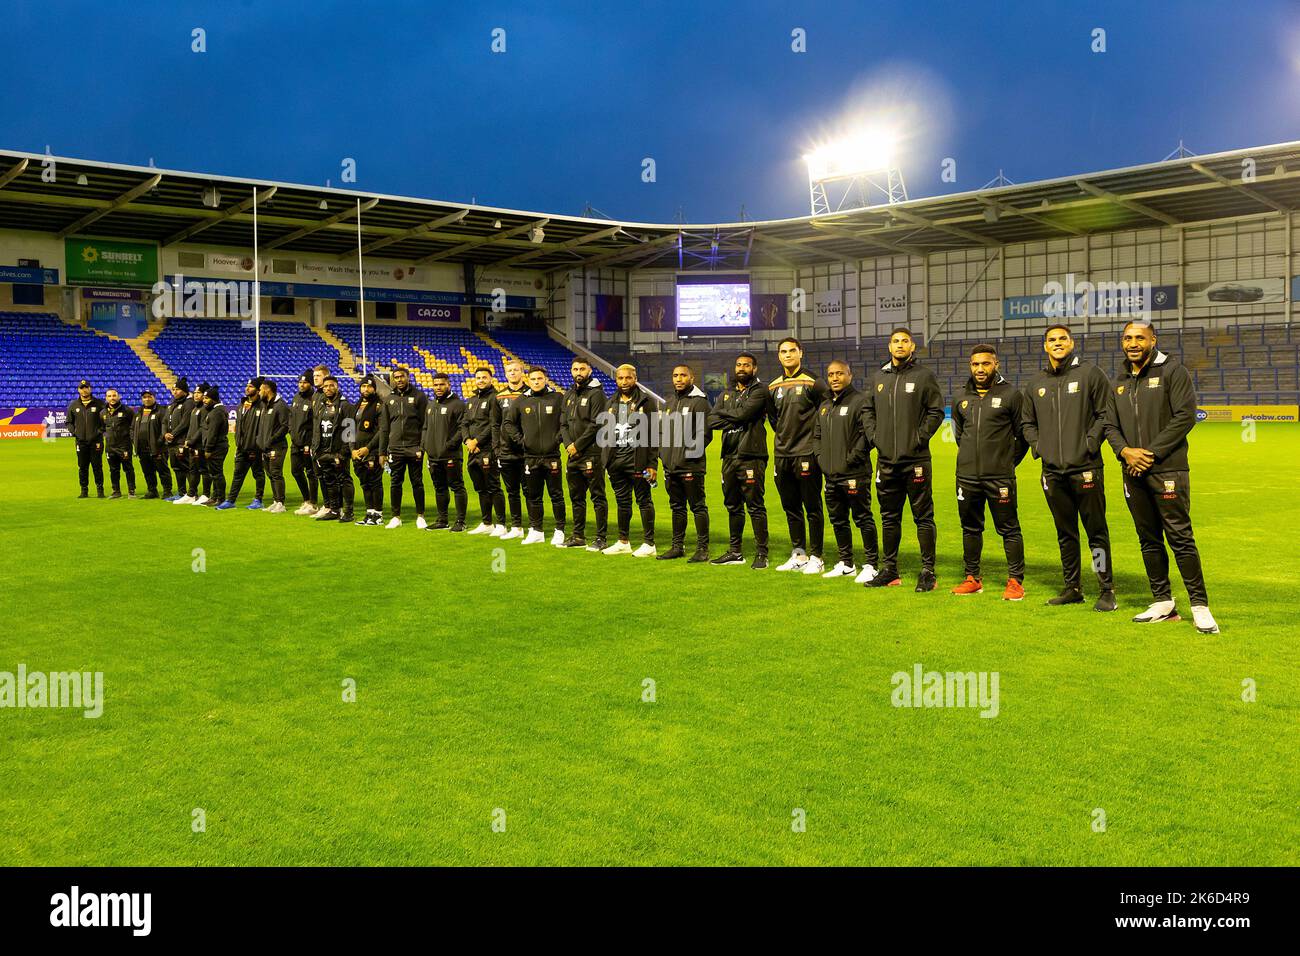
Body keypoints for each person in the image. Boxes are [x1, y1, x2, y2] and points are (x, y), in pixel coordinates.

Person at [1104, 320, 1218, 634]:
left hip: (1168, 469)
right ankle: (1163, 602)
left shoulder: (1173, 371)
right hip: (1131, 470)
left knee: (1180, 538)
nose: (1133, 343)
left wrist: (1149, 453)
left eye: (1140, 337)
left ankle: (1199, 606)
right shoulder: (1118, 381)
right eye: (1127, 338)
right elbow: (1109, 425)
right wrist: (1126, 452)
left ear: (1153, 339)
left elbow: (1185, 416)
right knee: (1148, 539)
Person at [1021, 324, 1117, 611]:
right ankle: (1072, 587)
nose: (1058, 343)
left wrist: (1089, 443)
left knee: (1095, 531)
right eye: (1052, 339)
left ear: (1072, 343)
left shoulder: (1090, 374)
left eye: (1063, 338)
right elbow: (1027, 423)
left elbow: (1105, 413)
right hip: (1052, 472)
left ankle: (1106, 588)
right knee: (1065, 533)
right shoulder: (1036, 383)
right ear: (1045, 346)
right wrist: (1039, 447)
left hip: (1085, 468)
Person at [861, 328, 944, 591]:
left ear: (912, 347)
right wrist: (875, 437)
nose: (900, 345)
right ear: (889, 346)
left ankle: (928, 571)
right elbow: (867, 410)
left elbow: (936, 410)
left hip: (916, 460)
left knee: (923, 517)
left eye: (904, 341)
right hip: (886, 461)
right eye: (895, 341)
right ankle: (889, 570)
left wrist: (919, 438)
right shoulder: (878, 378)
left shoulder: (924, 376)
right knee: (889, 518)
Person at [950, 345, 1029, 600]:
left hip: (1000, 477)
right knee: (970, 528)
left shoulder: (1012, 395)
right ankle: (972, 577)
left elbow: (1023, 436)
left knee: (1009, 529)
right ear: (970, 366)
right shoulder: (961, 397)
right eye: (975, 364)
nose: (980, 369)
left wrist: (1006, 463)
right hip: (967, 477)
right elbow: (960, 435)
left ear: (996, 364)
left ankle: (1015, 581)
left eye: (985, 364)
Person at [767, 337, 828, 575]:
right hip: (782, 454)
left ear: (800, 353)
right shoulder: (772, 387)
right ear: (779, 356)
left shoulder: (814, 382)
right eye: (783, 351)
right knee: (791, 507)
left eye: (792, 350)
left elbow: (826, 412)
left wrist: (814, 441)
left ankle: (817, 556)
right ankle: (799, 554)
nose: (788, 355)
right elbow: (774, 419)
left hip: (807, 453)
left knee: (812, 507)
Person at [812, 360, 878, 580]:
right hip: (830, 475)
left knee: (863, 518)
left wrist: (850, 460)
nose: (834, 378)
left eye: (840, 373)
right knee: (838, 520)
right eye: (831, 374)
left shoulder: (861, 400)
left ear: (850, 375)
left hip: (854, 474)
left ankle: (871, 564)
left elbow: (866, 436)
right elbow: (817, 436)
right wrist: (821, 460)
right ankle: (846, 562)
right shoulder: (824, 405)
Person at [708, 353, 771, 568]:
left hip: (751, 456)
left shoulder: (760, 391)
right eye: (738, 365)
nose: (741, 368)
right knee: (733, 506)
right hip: (729, 456)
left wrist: (727, 415)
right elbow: (711, 420)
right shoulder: (727, 393)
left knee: (755, 505)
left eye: (746, 365)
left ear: (754, 369)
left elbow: (744, 415)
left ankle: (762, 553)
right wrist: (732, 416)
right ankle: (735, 551)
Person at [501, 366, 566, 546]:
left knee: (556, 495)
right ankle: (536, 530)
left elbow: (566, 421)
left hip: (552, 456)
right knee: (533, 496)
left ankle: (559, 530)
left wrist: (558, 438)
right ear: (528, 381)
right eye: (533, 379)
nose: (536, 382)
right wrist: (522, 441)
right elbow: (508, 423)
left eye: (540, 379)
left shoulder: (558, 398)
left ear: (546, 379)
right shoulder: (522, 400)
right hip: (530, 457)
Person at [599, 364, 659, 557]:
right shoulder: (611, 403)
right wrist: (606, 460)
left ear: (635, 378)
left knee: (644, 501)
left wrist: (652, 464)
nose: (624, 382)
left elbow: (653, 434)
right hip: (616, 462)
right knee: (622, 502)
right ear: (616, 380)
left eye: (628, 378)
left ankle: (649, 544)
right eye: (620, 378)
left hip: (638, 461)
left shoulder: (646, 402)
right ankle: (623, 541)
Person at [657, 364, 712, 562]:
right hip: (670, 468)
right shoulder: (668, 402)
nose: (678, 379)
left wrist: (685, 457)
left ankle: (702, 549)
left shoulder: (700, 403)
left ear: (692, 377)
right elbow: (661, 433)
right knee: (676, 507)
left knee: (697, 507)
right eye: (675, 376)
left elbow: (704, 435)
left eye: (683, 375)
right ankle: (677, 546)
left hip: (691, 467)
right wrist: (664, 456)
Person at [560, 358, 609, 550]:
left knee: (597, 497)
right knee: (576, 497)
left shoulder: (597, 394)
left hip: (592, 454)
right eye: (575, 369)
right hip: (572, 455)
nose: (578, 372)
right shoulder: (569, 394)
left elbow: (597, 423)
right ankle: (578, 536)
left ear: (589, 370)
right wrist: (568, 444)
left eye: (582, 368)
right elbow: (562, 422)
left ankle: (601, 538)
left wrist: (577, 445)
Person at [378, 366, 429, 529]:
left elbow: (425, 425)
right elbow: (384, 427)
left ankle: (420, 516)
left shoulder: (419, 397)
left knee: (417, 482)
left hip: (414, 448)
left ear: (408, 377)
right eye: (396, 377)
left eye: (402, 376)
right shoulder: (389, 398)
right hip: (395, 448)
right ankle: (396, 517)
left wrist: (421, 447)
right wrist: (382, 452)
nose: (399, 379)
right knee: (395, 483)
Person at [421, 372, 468, 531]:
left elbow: (463, 428)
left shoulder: (458, 404)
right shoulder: (431, 405)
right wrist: (425, 445)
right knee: (439, 488)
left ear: (449, 385)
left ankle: (461, 522)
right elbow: (425, 427)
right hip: (433, 456)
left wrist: (450, 444)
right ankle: (442, 520)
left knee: (457, 487)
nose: (438, 387)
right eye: (436, 385)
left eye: (442, 384)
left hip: (451, 455)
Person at [463, 367, 506, 536]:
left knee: (493, 486)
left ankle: (501, 524)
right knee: (481, 488)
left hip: (488, 449)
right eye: (478, 377)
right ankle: (487, 522)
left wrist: (477, 441)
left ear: (491, 379)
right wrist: (467, 440)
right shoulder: (472, 399)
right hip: (472, 450)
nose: (480, 380)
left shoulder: (495, 397)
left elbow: (493, 424)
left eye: (484, 377)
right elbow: (464, 423)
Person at [494, 360, 530, 539]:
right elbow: (495, 424)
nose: (513, 373)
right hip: (506, 451)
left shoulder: (530, 394)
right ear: (505, 374)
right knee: (512, 491)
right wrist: (496, 448)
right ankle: (517, 527)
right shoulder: (499, 396)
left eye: (516, 370)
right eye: (509, 370)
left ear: (522, 372)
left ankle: (534, 526)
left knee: (530, 491)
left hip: (527, 451)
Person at [313, 375, 355, 522]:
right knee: (329, 480)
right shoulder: (322, 405)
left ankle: (349, 512)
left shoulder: (345, 405)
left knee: (344, 480)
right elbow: (317, 428)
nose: (328, 389)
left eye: (331, 385)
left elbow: (350, 429)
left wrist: (343, 452)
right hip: (323, 451)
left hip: (338, 451)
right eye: (325, 386)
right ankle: (334, 510)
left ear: (337, 386)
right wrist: (316, 449)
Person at [225, 377, 266, 510]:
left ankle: (258, 499)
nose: (247, 388)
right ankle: (231, 501)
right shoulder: (241, 405)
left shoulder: (262, 406)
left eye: (251, 386)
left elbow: (263, 429)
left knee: (258, 474)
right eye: (247, 386)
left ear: (258, 389)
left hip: (256, 448)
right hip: (241, 448)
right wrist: (238, 442)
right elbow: (239, 426)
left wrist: (258, 445)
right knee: (237, 475)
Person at [351, 374, 386, 525]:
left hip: (372, 451)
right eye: (363, 386)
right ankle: (369, 513)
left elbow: (382, 430)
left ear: (374, 389)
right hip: (357, 452)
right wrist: (352, 449)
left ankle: (378, 515)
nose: (366, 389)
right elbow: (349, 429)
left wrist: (368, 448)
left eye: (369, 386)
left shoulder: (379, 406)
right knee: (365, 483)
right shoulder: (356, 406)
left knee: (375, 483)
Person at [65, 379, 105, 498]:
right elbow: (69, 422)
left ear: (90, 389)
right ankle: (84, 490)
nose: (84, 390)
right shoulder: (73, 405)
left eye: (86, 387)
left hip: (96, 441)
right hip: (80, 442)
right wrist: (75, 433)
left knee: (97, 466)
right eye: (82, 388)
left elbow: (106, 420)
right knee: (82, 467)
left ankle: (100, 490)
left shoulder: (99, 403)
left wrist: (99, 432)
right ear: (78, 390)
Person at [254, 378, 289, 513]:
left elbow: (285, 426)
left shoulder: (281, 405)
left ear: (268, 390)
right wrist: (259, 440)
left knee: (276, 473)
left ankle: (281, 503)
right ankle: (276, 501)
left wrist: (271, 440)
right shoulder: (264, 405)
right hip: (265, 446)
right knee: (270, 474)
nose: (259, 391)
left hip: (277, 446)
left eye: (262, 389)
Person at [288, 372, 319, 515]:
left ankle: (313, 503)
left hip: (308, 443)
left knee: (311, 473)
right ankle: (306, 500)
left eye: (305, 382)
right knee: (295, 471)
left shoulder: (314, 399)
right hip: (295, 443)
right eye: (300, 382)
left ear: (311, 384)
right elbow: (291, 418)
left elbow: (315, 423)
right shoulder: (296, 398)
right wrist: (291, 432)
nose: (302, 385)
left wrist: (309, 442)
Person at [133, 388, 172, 499]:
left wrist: (160, 441)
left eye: (149, 396)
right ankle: (152, 491)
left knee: (162, 470)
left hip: (157, 447)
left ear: (154, 397)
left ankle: (167, 491)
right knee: (148, 471)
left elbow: (165, 427)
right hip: (142, 448)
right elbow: (132, 428)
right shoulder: (139, 411)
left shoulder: (161, 410)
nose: (147, 399)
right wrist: (134, 439)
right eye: (144, 397)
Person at [101, 388, 136, 499]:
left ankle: (131, 491)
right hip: (110, 447)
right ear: (106, 398)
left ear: (119, 397)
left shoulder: (127, 410)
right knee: (113, 470)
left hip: (124, 446)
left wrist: (130, 439)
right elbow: (102, 428)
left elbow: (133, 426)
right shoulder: (102, 412)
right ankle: (116, 491)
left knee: (128, 469)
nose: (112, 398)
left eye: (114, 395)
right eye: (109, 396)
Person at [162, 377, 193, 502]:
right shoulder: (171, 404)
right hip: (171, 442)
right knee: (176, 467)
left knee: (186, 467)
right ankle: (181, 492)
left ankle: (192, 493)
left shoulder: (188, 403)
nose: (174, 392)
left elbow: (185, 423)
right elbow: (164, 421)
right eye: (173, 389)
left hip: (181, 440)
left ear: (185, 391)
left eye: (177, 389)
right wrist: (165, 434)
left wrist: (172, 434)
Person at [180, 383, 211, 504]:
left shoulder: (205, 409)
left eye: (199, 393)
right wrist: (188, 440)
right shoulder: (195, 408)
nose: (196, 395)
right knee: (193, 469)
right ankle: (191, 494)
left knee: (204, 469)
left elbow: (202, 428)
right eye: (195, 392)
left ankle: (206, 494)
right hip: (192, 445)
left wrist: (192, 440)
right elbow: (191, 427)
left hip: (201, 444)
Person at [198, 385, 228, 505]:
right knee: (214, 473)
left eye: (206, 398)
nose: (203, 400)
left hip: (217, 447)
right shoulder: (216, 410)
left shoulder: (216, 412)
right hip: (217, 446)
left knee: (217, 474)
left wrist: (208, 448)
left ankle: (220, 498)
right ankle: (215, 497)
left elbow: (213, 432)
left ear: (214, 399)